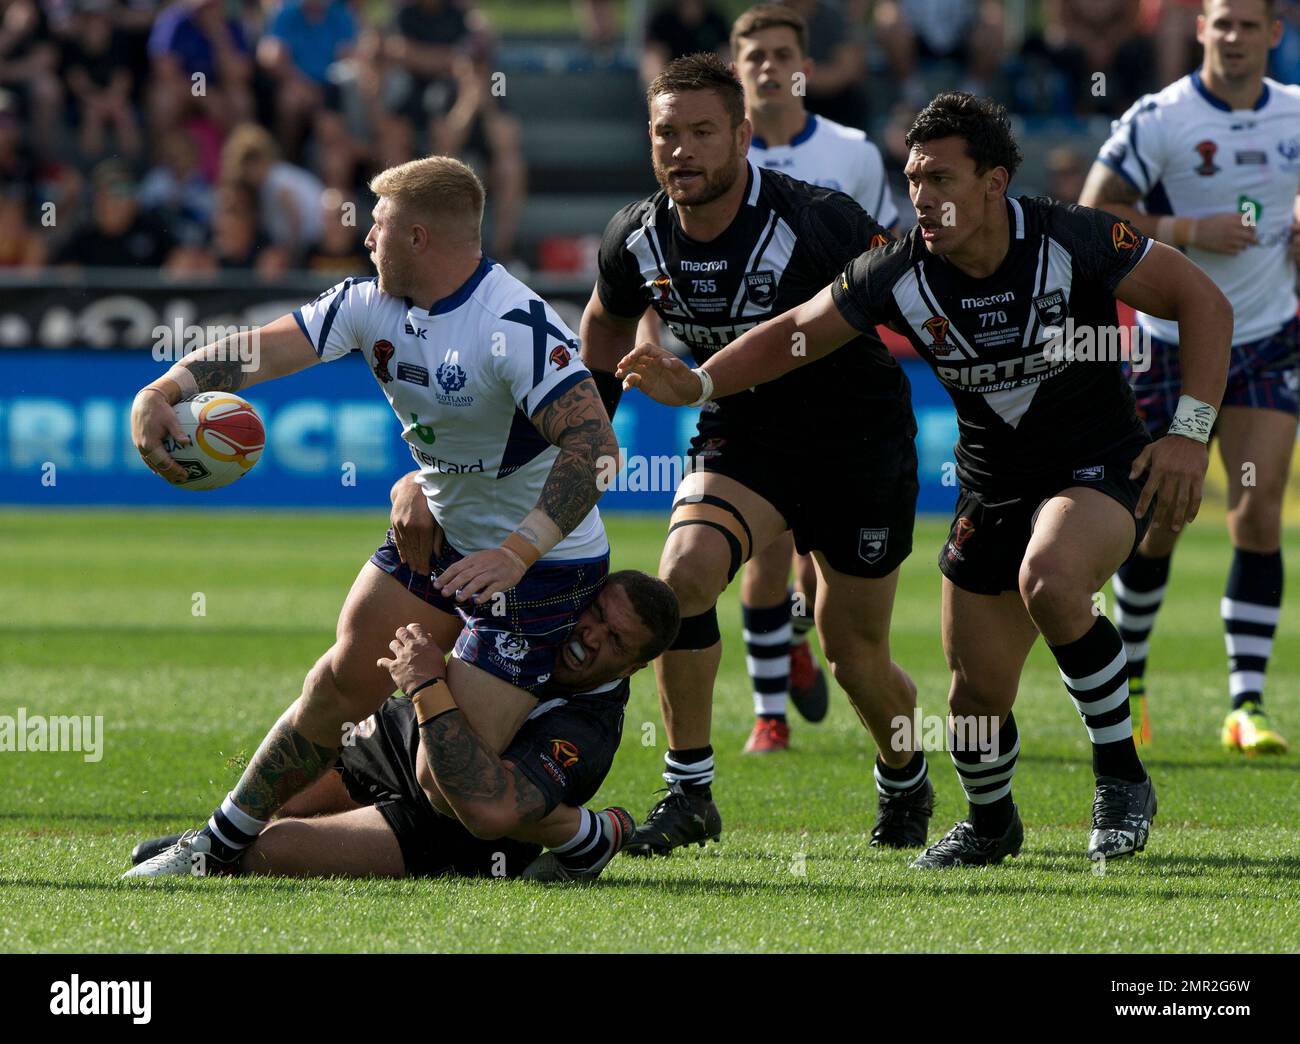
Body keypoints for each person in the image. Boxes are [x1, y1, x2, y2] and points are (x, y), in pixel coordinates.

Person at [618, 91, 1233, 867]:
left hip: (1099, 466)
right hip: (992, 484)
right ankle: (990, 822)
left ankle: (1120, 776)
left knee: (1050, 578)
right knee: (972, 701)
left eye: (942, 178)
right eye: (913, 179)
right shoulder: (900, 270)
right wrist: (702, 384)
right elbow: (800, 331)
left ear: (994, 183)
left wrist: (1188, 433)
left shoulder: (1071, 235)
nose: (923, 197)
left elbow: (1200, 300)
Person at [124, 155, 619, 878]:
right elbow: (265, 349)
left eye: (378, 224)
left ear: (417, 236)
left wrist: (519, 550)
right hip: (441, 540)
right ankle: (218, 841)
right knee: (335, 686)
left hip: (544, 572)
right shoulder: (369, 304)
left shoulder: (511, 324)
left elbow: (599, 449)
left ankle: (584, 837)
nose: (366, 239)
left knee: (444, 780)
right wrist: (167, 386)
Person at [582, 53, 931, 857]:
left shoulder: (821, 220)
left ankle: (905, 771)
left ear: (743, 135)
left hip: (859, 442)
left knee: (854, 655)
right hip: (744, 437)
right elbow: (605, 321)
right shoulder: (636, 235)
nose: (683, 150)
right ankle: (689, 789)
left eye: (703, 131)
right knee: (683, 579)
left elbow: (909, 306)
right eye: (667, 133)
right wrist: (595, 422)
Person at [127, 570, 681, 883]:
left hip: (447, 821)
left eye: (615, 641)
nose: (589, 636)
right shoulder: (541, 605)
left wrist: (424, 685)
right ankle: (586, 837)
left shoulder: (587, 732)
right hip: (386, 744)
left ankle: (589, 836)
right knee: (271, 807)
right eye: (596, 616)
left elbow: (486, 806)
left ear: (635, 667)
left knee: (276, 848)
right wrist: (414, 484)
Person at [1079, 0, 1299, 754]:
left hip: (1268, 336)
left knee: (1257, 507)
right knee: (1161, 519)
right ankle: (1131, 675)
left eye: (1249, 24)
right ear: (1200, 29)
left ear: (1275, 33)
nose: (1234, 36)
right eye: (1222, 23)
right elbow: (1093, 213)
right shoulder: (1158, 118)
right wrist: (1186, 232)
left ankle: (1246, 704)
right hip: (1173, 344)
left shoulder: (1296, 114)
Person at [728, 2, 900, 753]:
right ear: (737, 69)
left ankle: (798, 640)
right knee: (762, 548)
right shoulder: (715, 155)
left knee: (816, 562)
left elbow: (886, 251)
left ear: (804, 67)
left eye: (780, 54)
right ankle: (770, 713)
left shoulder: (853, 151)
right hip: (750, 381)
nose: (768, 66)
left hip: (836, 380)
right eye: (753, 54)